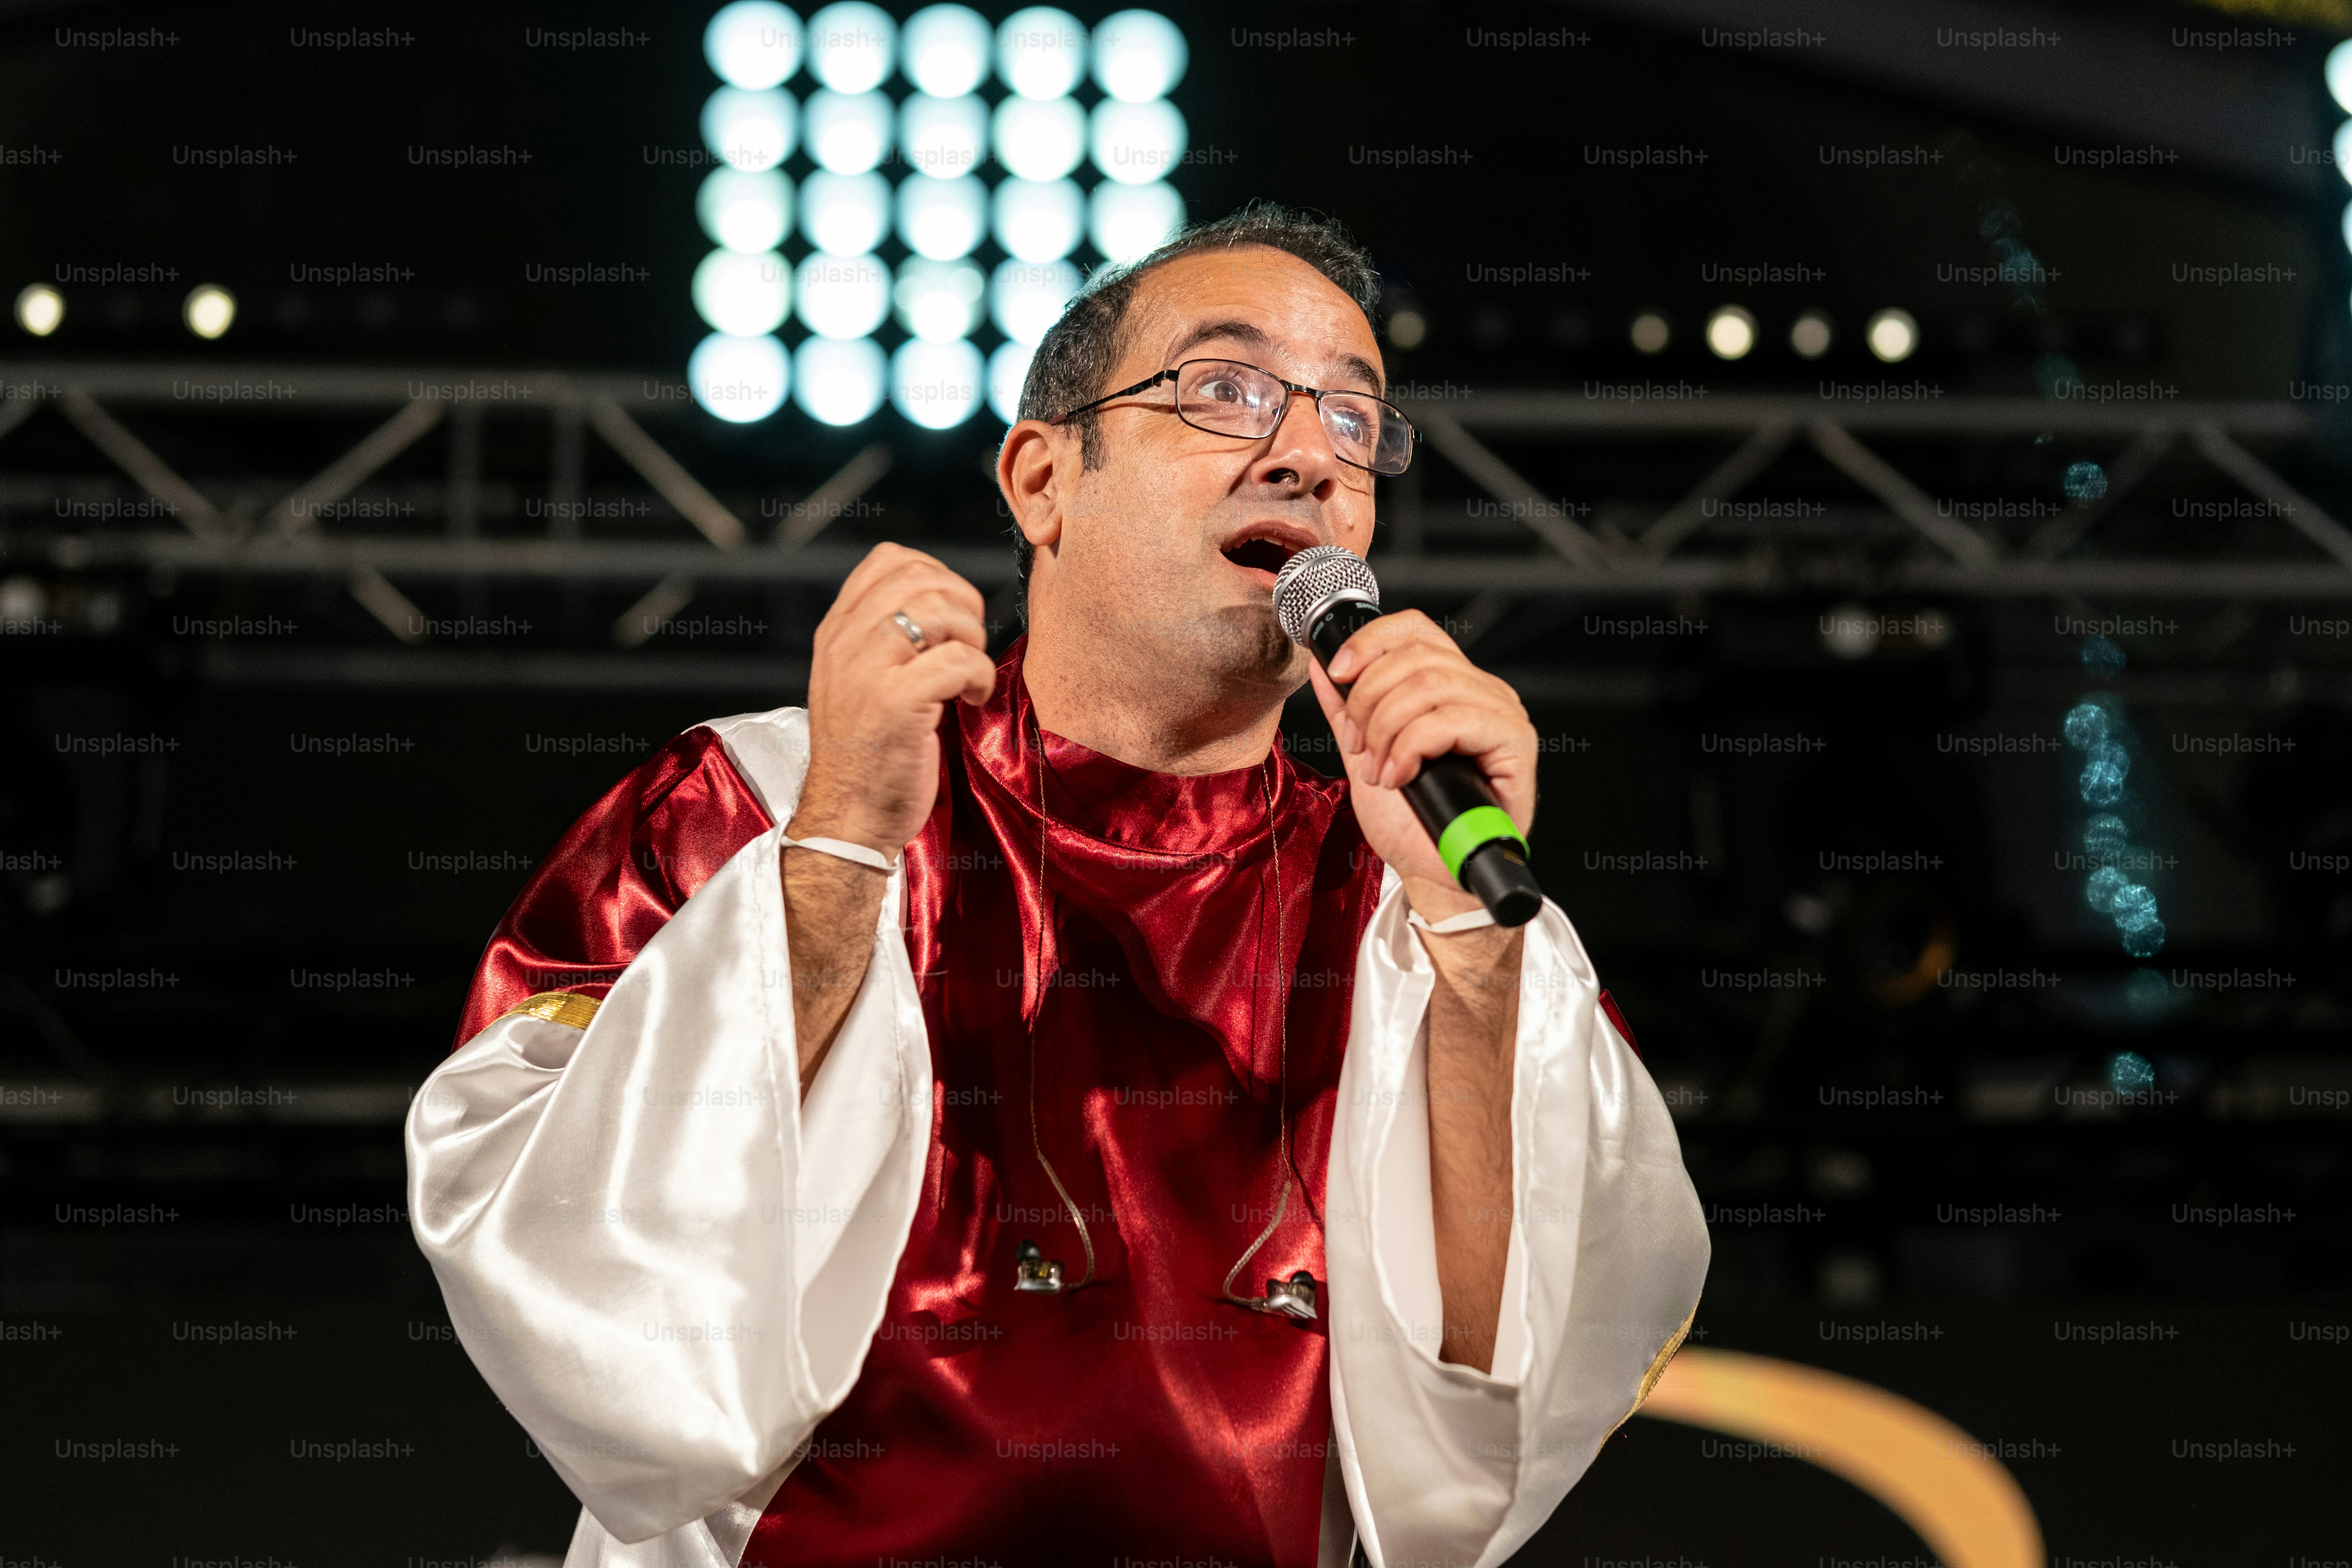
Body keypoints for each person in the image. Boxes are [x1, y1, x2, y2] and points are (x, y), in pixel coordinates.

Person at [407, 202, 1708, 1568]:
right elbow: (550, 1245)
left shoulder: (1419, 891)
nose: (1309, 456)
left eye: (1353, 418)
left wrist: (1473, 953)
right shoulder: (760, 797)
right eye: (1227, 388)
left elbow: (1494, 1417)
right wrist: (845, 845)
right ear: (1043, 483)